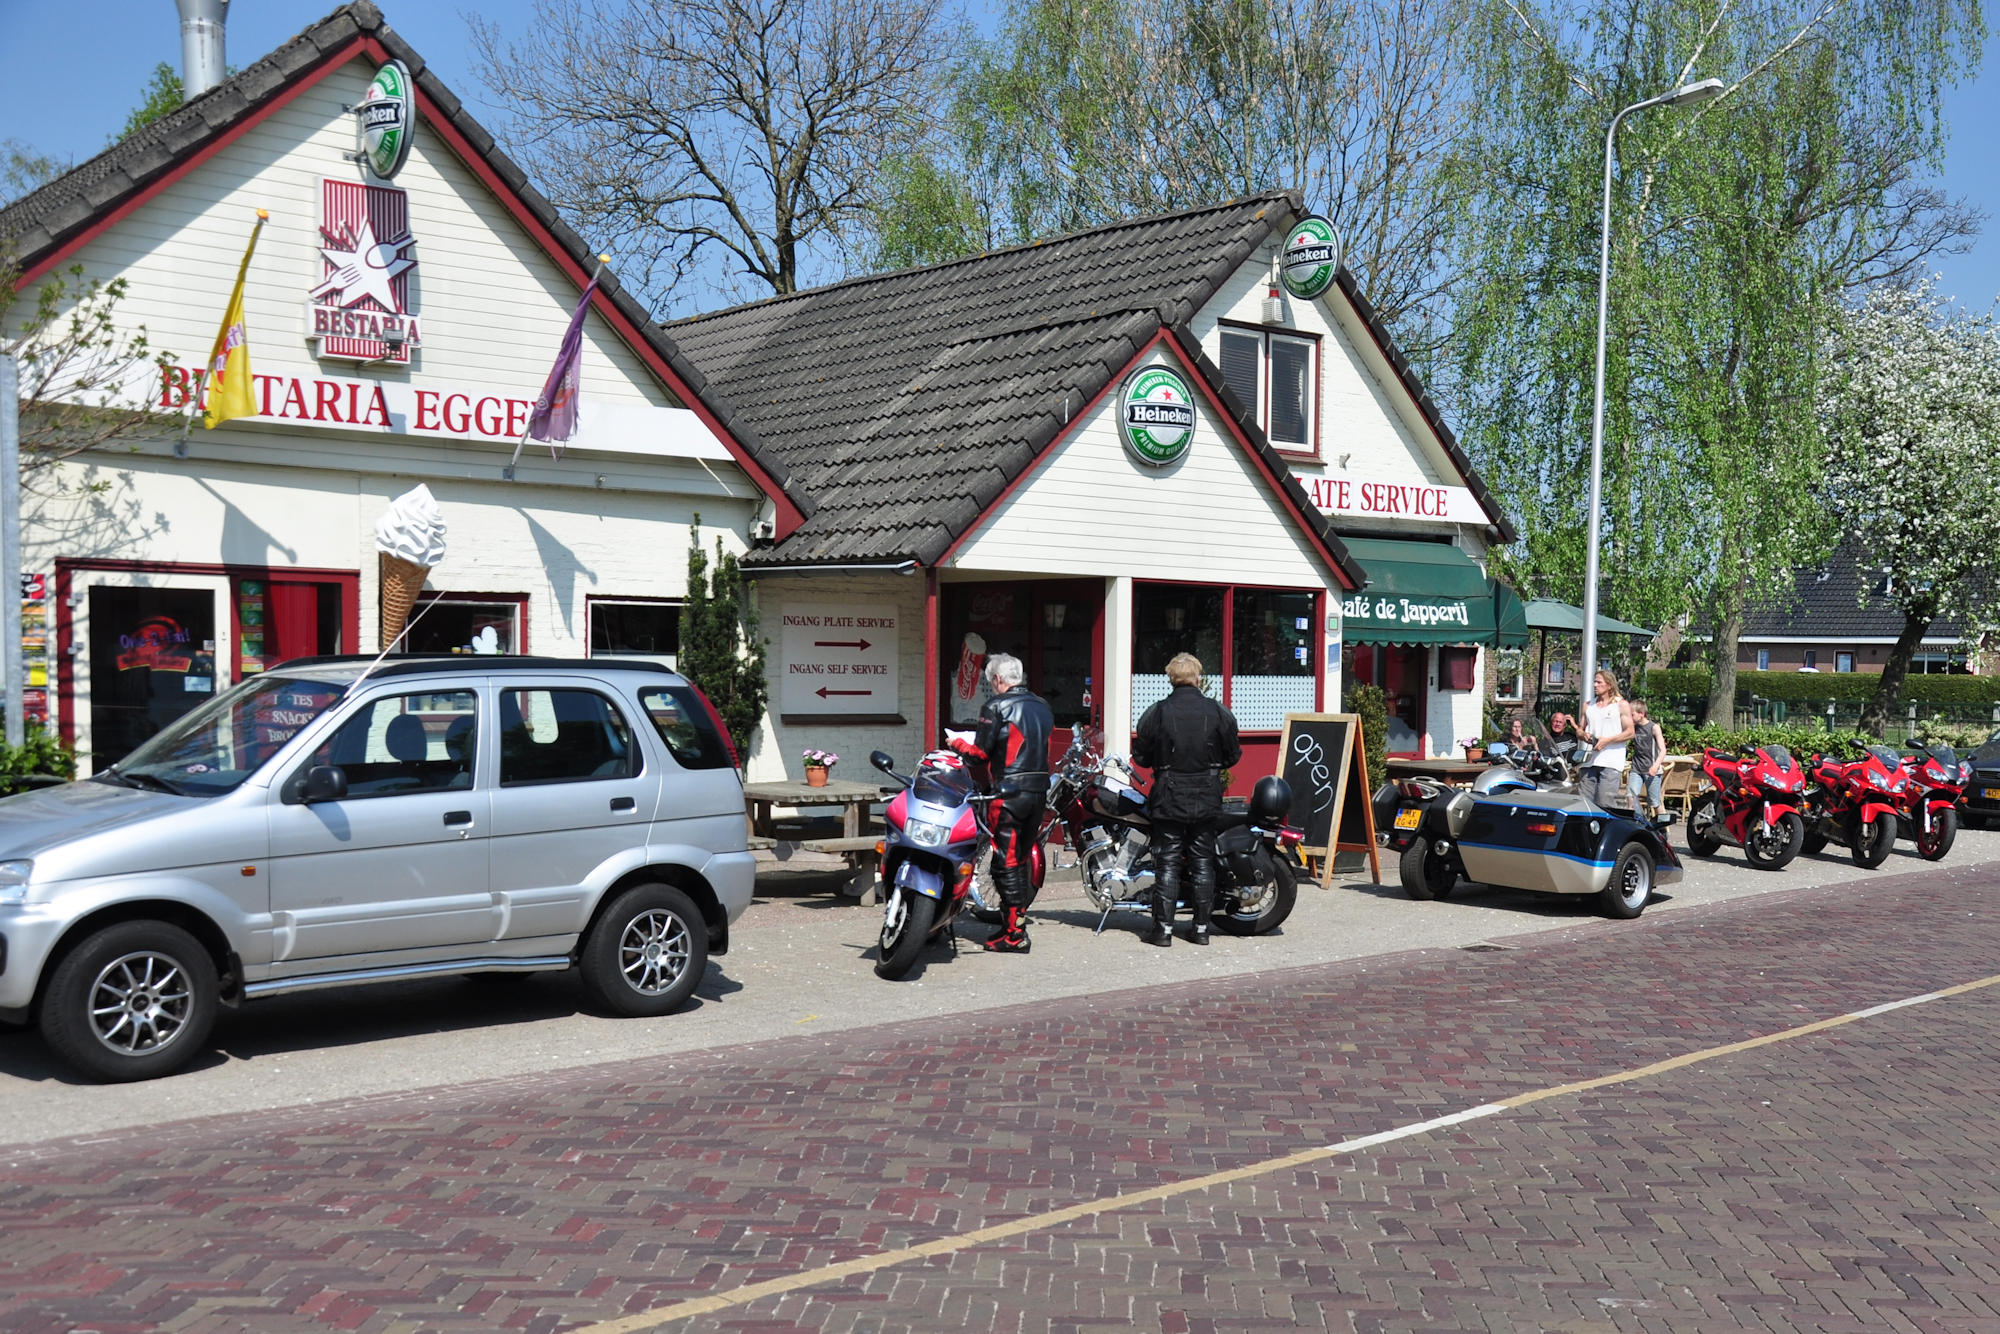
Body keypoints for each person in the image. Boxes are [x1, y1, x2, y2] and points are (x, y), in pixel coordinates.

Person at [1132, 653, 1242, 947]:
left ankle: (1163, 930)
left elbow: (1140, 755)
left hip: (1169, 795)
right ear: (1198, 678)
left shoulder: (1157, 712)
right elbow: (1233, 754)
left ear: (1171, 678)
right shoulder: (1218, 711)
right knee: (1202, 861)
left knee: (1167, 861)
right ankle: (1201, 929)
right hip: (1206, 795)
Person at [949, 652, 1052, 953]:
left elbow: (978, 755)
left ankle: (1015, 934)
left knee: (1004, 863)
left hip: (1007, 795)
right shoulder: (1043, 706)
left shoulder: (996, 706)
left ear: (997, 679)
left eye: (989, 681)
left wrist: (956, 742)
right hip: (1037, 793)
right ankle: (1011, 926)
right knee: (1018, 859)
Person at [1577, 669, 1635, 810]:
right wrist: (1583, 734)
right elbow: (1579, 729)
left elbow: (1630, 732)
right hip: (1589, 761)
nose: (1595, 685)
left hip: (1610, 762)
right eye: (1594, 682)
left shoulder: (1621, 705)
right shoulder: (1588, 705)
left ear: (1609, 685)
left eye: (1599, 682)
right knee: (1584, 804)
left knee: (1605, 803)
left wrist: (1607, 740)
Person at [1627, 698, 1666, 818]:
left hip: (1651, 769)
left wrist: (1655, 766)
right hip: (1637, 768)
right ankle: (1635, 822)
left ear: (1641, 713)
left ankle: (1664, 826)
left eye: (1632, 714)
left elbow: (1663, 750)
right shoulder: (1633, 728)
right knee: (1631, 796)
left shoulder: (1654, 727)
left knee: (1655, 802)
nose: (1630, 717)